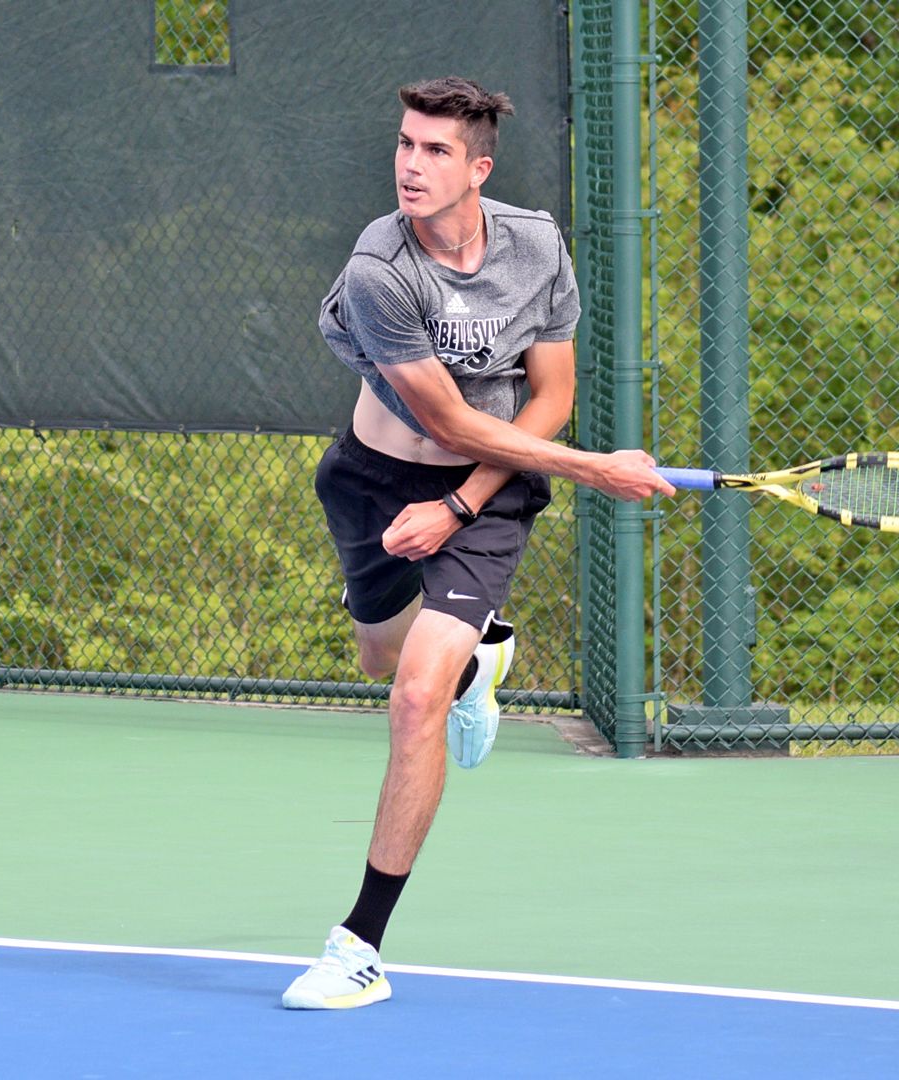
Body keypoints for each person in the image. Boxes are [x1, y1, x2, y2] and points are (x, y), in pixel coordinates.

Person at [280, 76, 672, 1010]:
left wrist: (462, 509)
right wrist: (595, 470)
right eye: (405, 145)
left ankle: (359, 946)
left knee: (413, 699)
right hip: (373, 483)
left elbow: (549, 395)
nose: (411, 165)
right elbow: (448, 417)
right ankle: (476, 662)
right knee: (383, 656)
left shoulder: (535, 244)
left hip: (484, 498)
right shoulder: (381, 269)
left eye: (436, 151)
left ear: (479, 168)